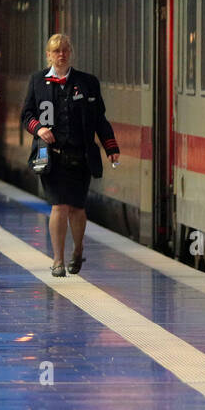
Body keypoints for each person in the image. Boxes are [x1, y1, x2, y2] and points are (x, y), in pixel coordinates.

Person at [20, 33, 119, 277]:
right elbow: (27, 115)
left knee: (76, 208)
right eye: (56, 51)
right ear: (48, 55)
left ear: (70, 52)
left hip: (80, 156)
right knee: (58, 206)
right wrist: (39, 129)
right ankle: (57, 260)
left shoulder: (87, 82)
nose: (61, 54)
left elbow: (99, 119)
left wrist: (111, 148)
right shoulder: (37, 81)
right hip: (50, 156)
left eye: (65, 50)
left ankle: (78, 249)